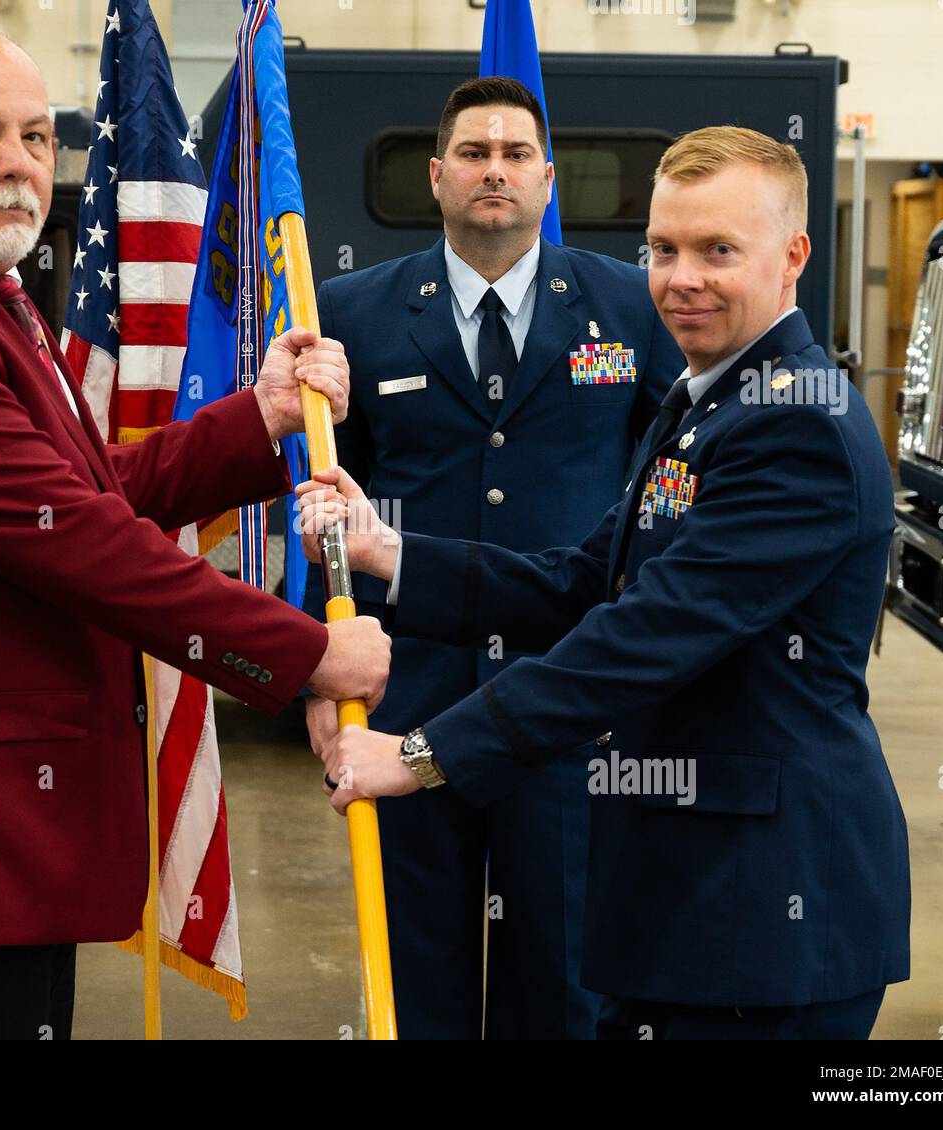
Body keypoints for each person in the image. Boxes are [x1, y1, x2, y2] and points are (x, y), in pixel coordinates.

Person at [0, 25, 389, 1040]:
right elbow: (86, 550)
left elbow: (79, 493)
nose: (18, 163)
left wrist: (254, 418)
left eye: (37, 136)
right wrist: (308, 651)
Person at [300, 126, 910, 1040]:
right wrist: (390, 550)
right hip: (684, 902)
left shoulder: (797, 429)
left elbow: (641, 639)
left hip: (763, 917)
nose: (681, 278)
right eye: (663, 249)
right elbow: (588, 581)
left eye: (717, 252)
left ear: (793, 258)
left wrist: (421, 754)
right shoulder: (705, 401)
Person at [301, 76, 681, 1039]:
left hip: (568, 705)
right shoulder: (355, 311)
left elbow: (672, 481)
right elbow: (326, 510)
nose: (495, 171)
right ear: (435, 176)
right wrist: (317, 670)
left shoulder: (631, 308)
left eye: (516, 155)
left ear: (549, 179)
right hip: (410, 700)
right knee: (415, 974)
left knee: (559, 980)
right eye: (474, 153)